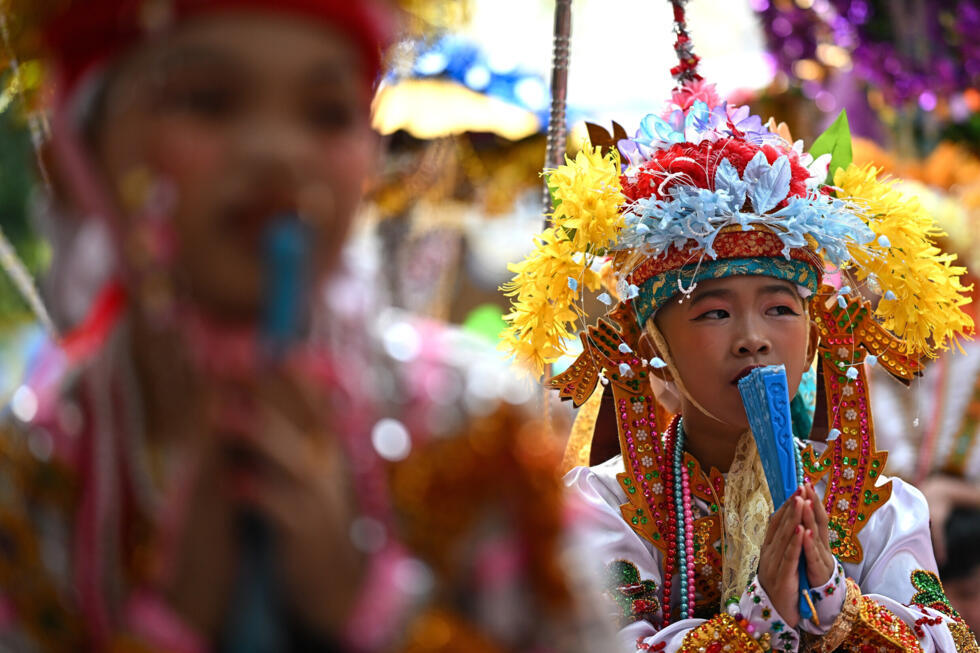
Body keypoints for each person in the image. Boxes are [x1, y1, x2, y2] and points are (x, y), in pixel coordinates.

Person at [0, 2, 594, 652]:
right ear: (84, 149)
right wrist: (171, 619)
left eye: (327, 112)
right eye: (208, 101)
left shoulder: (470, 423)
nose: (276, 151)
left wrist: (366, 601)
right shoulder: (35, 471)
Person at [501, 6, 978, 649]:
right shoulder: (600, 508)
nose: (753, 337)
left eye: (781, 308)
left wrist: (838, 601)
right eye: (715, 311)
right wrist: (757, 620)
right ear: (654, 346)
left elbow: (948, 641)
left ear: (815, 335)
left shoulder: (879, 506)